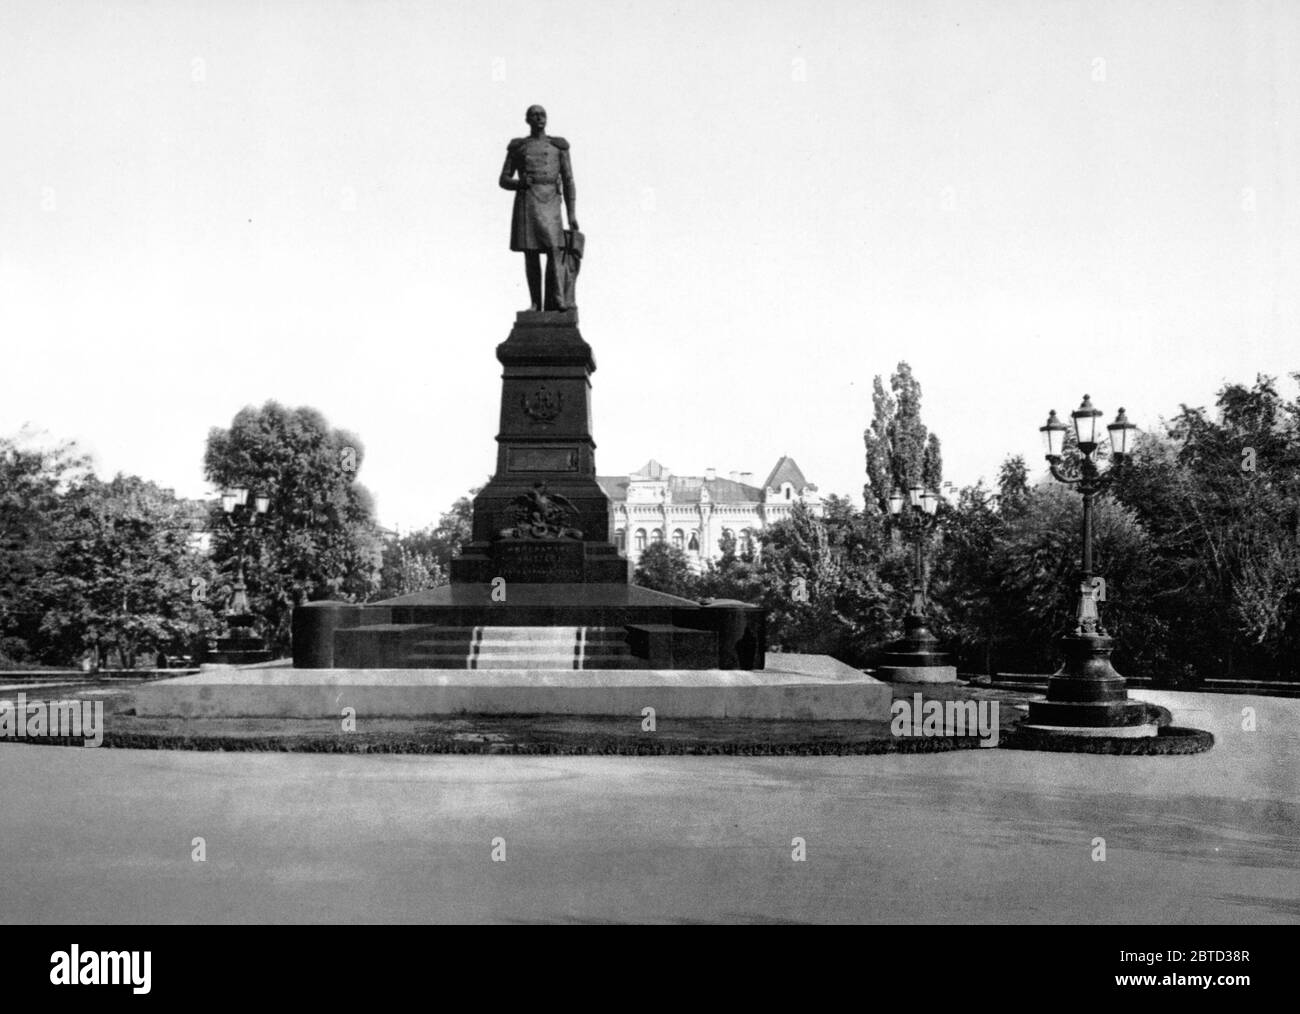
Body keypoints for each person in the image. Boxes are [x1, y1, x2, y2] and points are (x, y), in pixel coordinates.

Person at [499, 105, 579, 311]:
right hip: (528, 201)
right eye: (534, 115)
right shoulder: (518, 147)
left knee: (554, 249)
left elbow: (569, 180)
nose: (539, 118)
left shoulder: (558, 146)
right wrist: (520, 183)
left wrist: (571, 214)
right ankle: (535, 303)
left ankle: (558, 298)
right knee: (531, 253)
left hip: (551, 200)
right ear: (527, 120)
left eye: (542, 115)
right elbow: (504, 180)